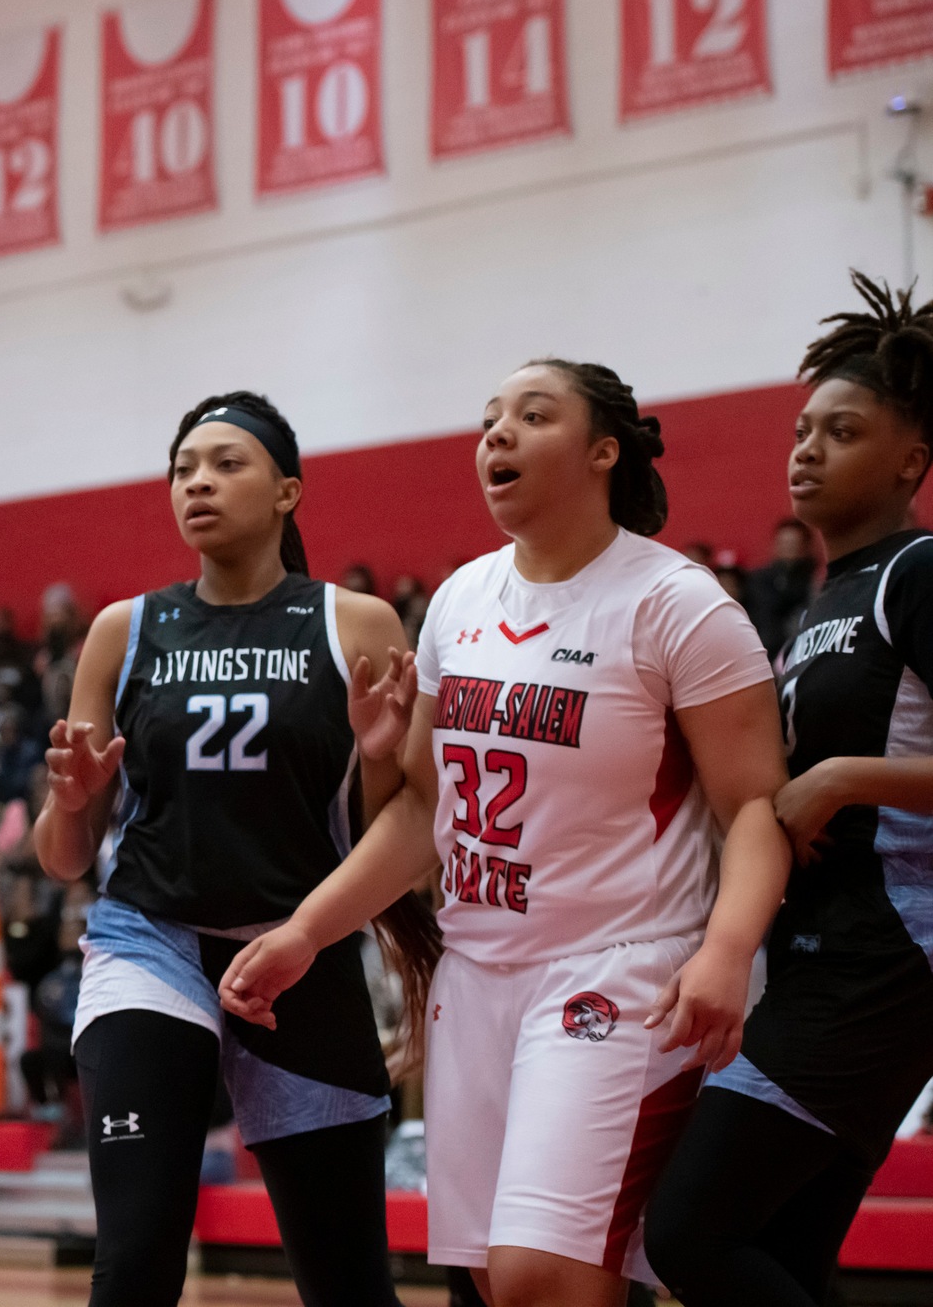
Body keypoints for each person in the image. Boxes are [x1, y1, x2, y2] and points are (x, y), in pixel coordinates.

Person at [220, 359, 790, 1307]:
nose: (496, 435)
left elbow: (754, 810)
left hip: (619, 969)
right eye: (488, 420)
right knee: (495, 1282)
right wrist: (306, 930)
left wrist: (728, 951)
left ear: (602, 451)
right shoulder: (458, 601)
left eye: (531, 415)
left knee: (545, 1277)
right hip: (478, 975)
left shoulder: (676, 603)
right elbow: (419, 810)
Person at [33, 392, 429, 1307]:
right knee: (132, 1264)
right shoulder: (123, 630)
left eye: (225, 463)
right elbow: (64, 858)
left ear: (288, 489)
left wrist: (374, 760)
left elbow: (399, 833)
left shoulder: (355, 623)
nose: (197, 482)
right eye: (182, 468)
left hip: (301, 951)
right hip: (149, 945)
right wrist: (70, 805)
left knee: (347, 1284)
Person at [647, 274, 933, 1305]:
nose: (804, 448)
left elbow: (834, 783)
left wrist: (844, 779)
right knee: (783, 1254)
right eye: (800, 428)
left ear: (910, 459)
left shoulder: (917, 572)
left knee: (688, 1235)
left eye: (840, 430)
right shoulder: (819, 605)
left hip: (887, 964)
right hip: (820, 957)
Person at [748, 517, 820, 650]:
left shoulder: (814, 580)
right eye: (784, 543)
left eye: (793, 543)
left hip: (799, 648)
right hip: (764, 649)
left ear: (804, 546)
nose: (788, 548)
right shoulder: (759, 580)